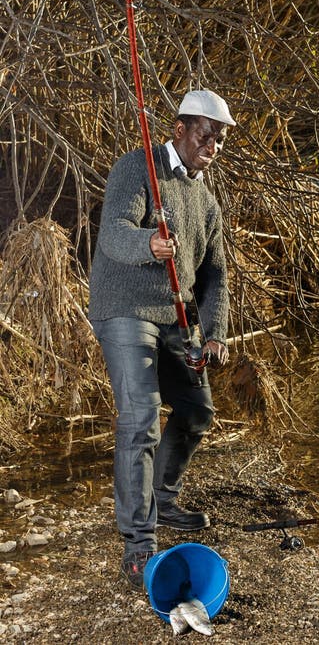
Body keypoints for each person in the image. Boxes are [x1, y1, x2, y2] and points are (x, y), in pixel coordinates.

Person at [89, 89, 235, 589]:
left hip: (175, 317)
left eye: (219, 139)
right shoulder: (138, 167)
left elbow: (215, 275)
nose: (213, 145)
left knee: (196, 411)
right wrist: (148, 243)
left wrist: (213, 334)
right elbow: (113, 233)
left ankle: (163, 499)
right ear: (180, 129)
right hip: (124, 307)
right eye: (205, 134)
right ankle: (138, 544)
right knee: (141, 416)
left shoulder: (206, 201)